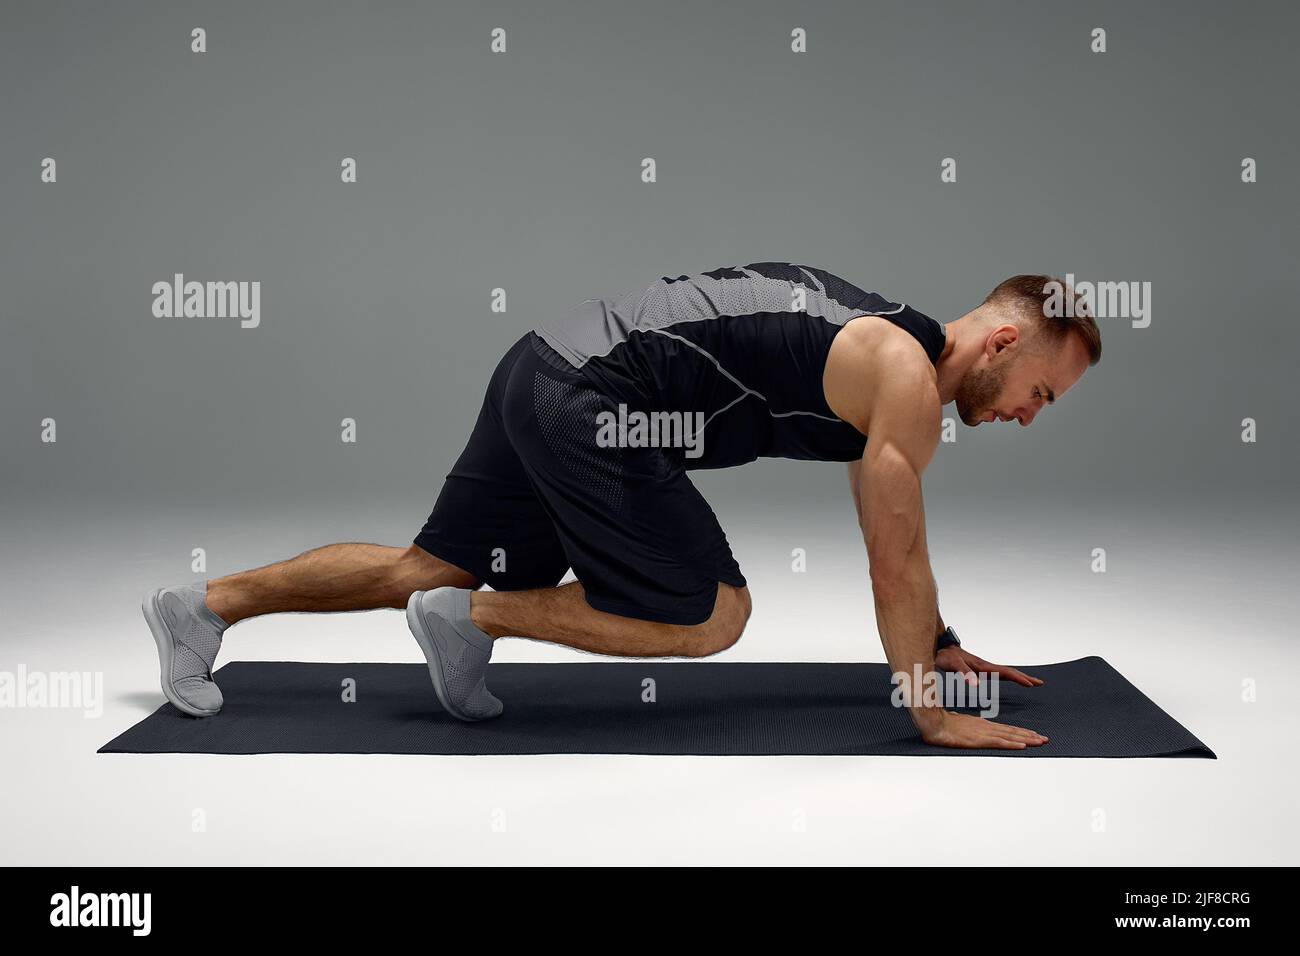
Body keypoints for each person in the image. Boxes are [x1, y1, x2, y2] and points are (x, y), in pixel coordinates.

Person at [142, 262, 1100, 749]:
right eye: (1041, 394)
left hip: (542, 369)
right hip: (596, 404)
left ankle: (201, 607)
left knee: (421, 565)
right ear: (1004, 338)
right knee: (714, 611)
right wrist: (929, 712)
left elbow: (896, 537)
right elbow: (895, 557)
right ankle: (471, 619)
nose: (1026, 418)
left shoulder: (885, 348)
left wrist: (933, 645)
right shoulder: (897, 372)